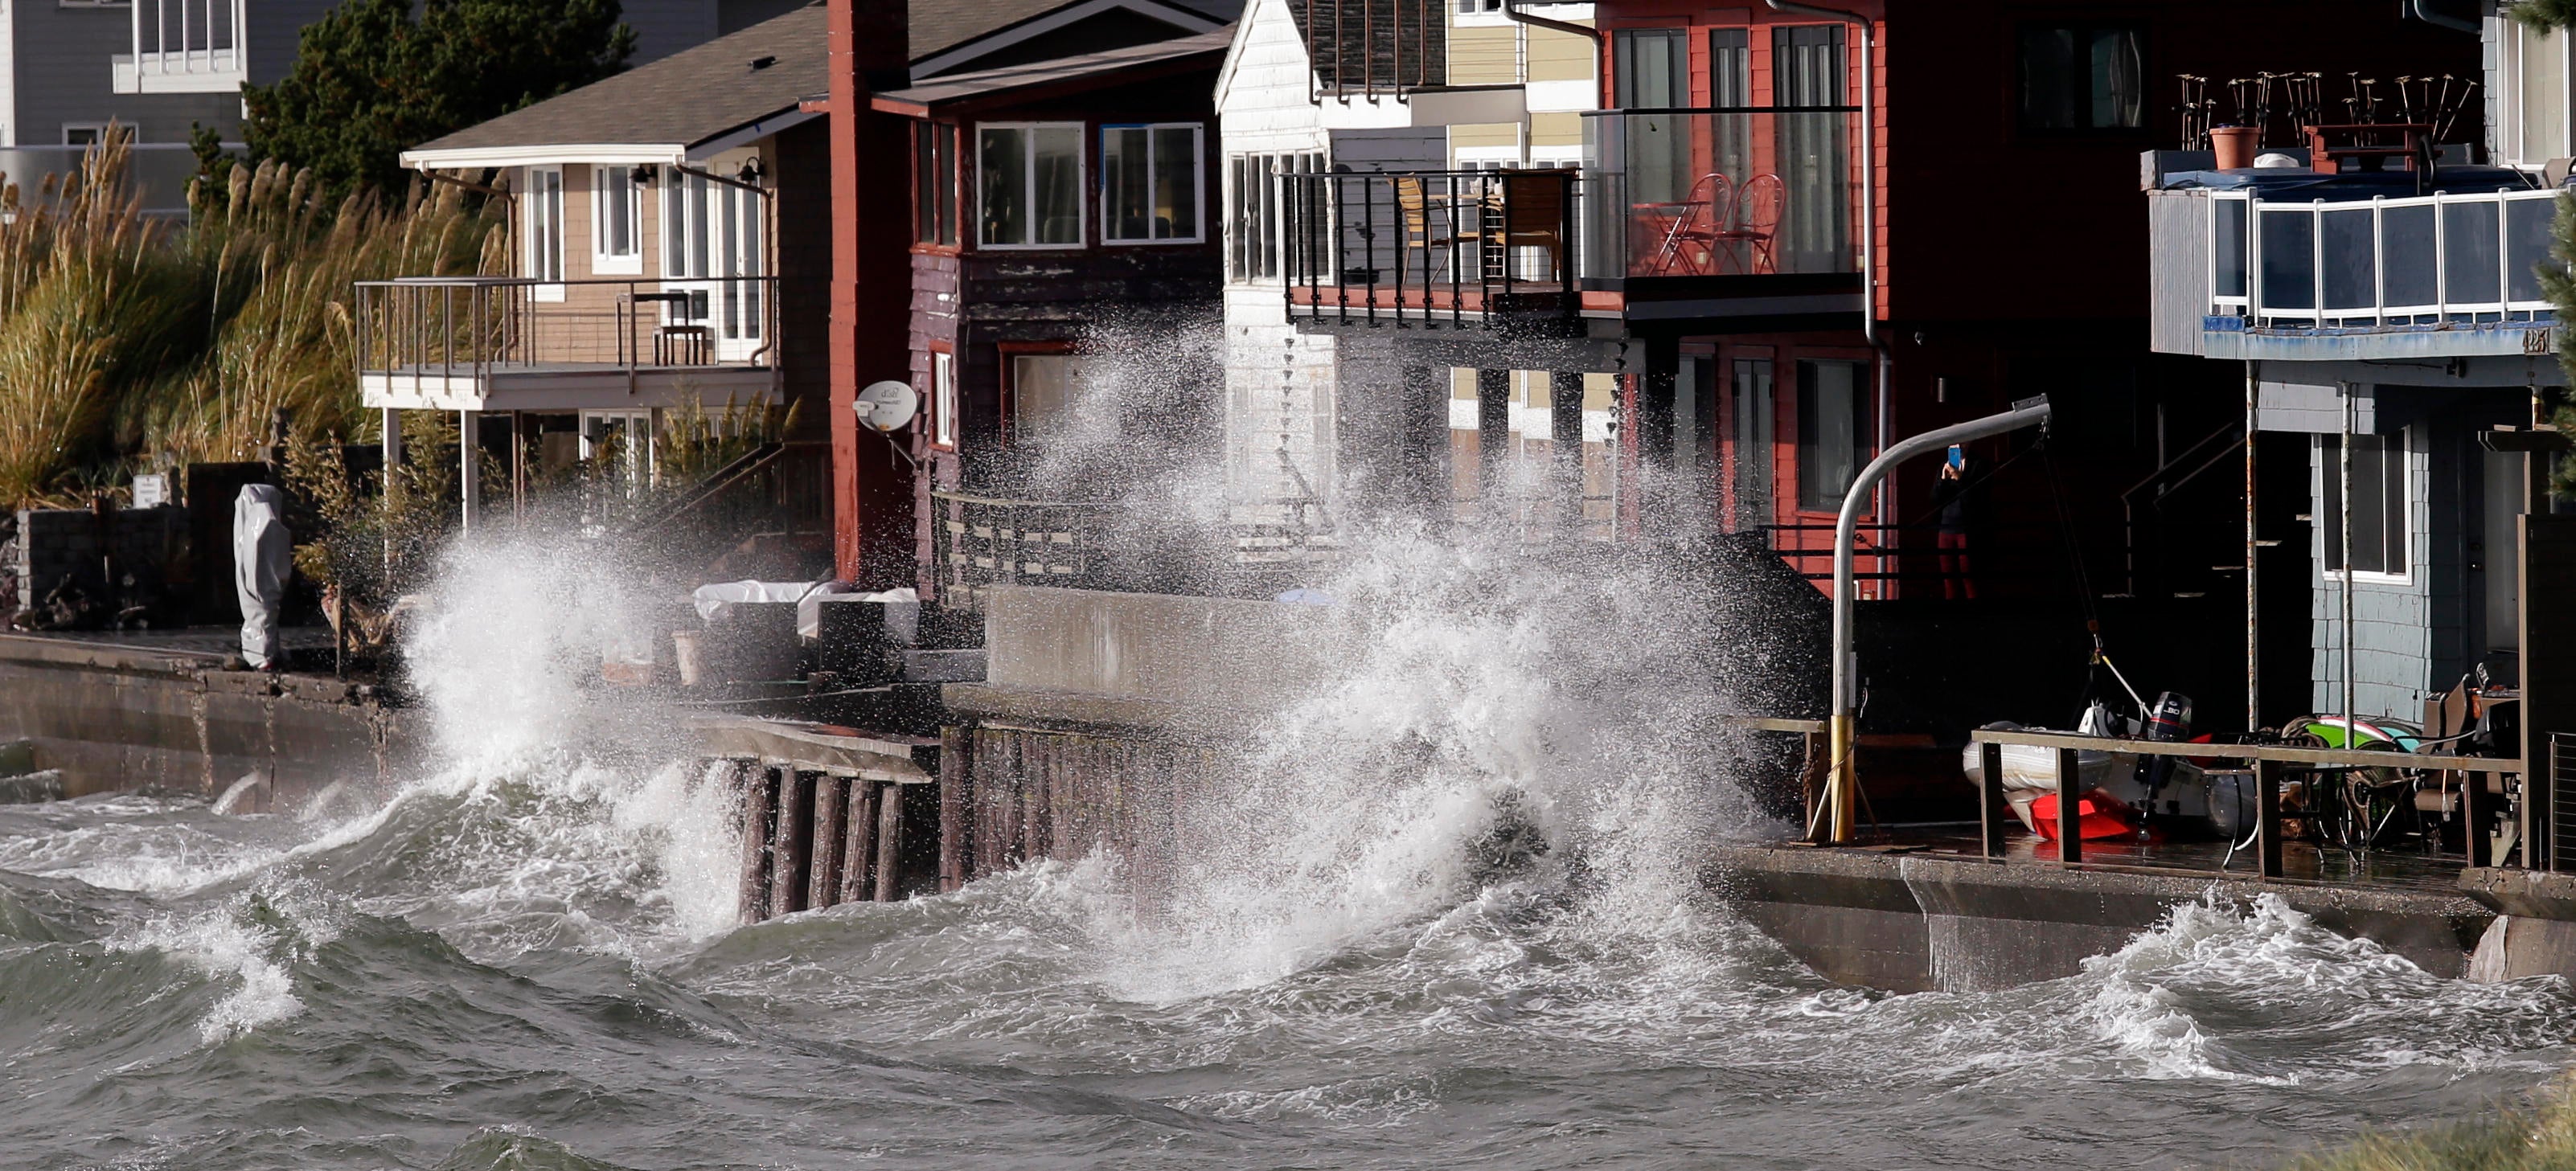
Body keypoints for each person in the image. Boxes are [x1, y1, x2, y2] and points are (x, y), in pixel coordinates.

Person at [1929, 444, 1978, 600]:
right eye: (1954, 444)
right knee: (1948, 577)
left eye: (1962, 443)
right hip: (1946, 527)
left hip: (1966, 529)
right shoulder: (1945, 466)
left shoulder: (1977, 465)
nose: (1959, 447)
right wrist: (1943, 480)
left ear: (1969, 443)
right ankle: (1951, 615)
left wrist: (1960, 479)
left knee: (1968, 575)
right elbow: (1935, 499)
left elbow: (1977, 498)